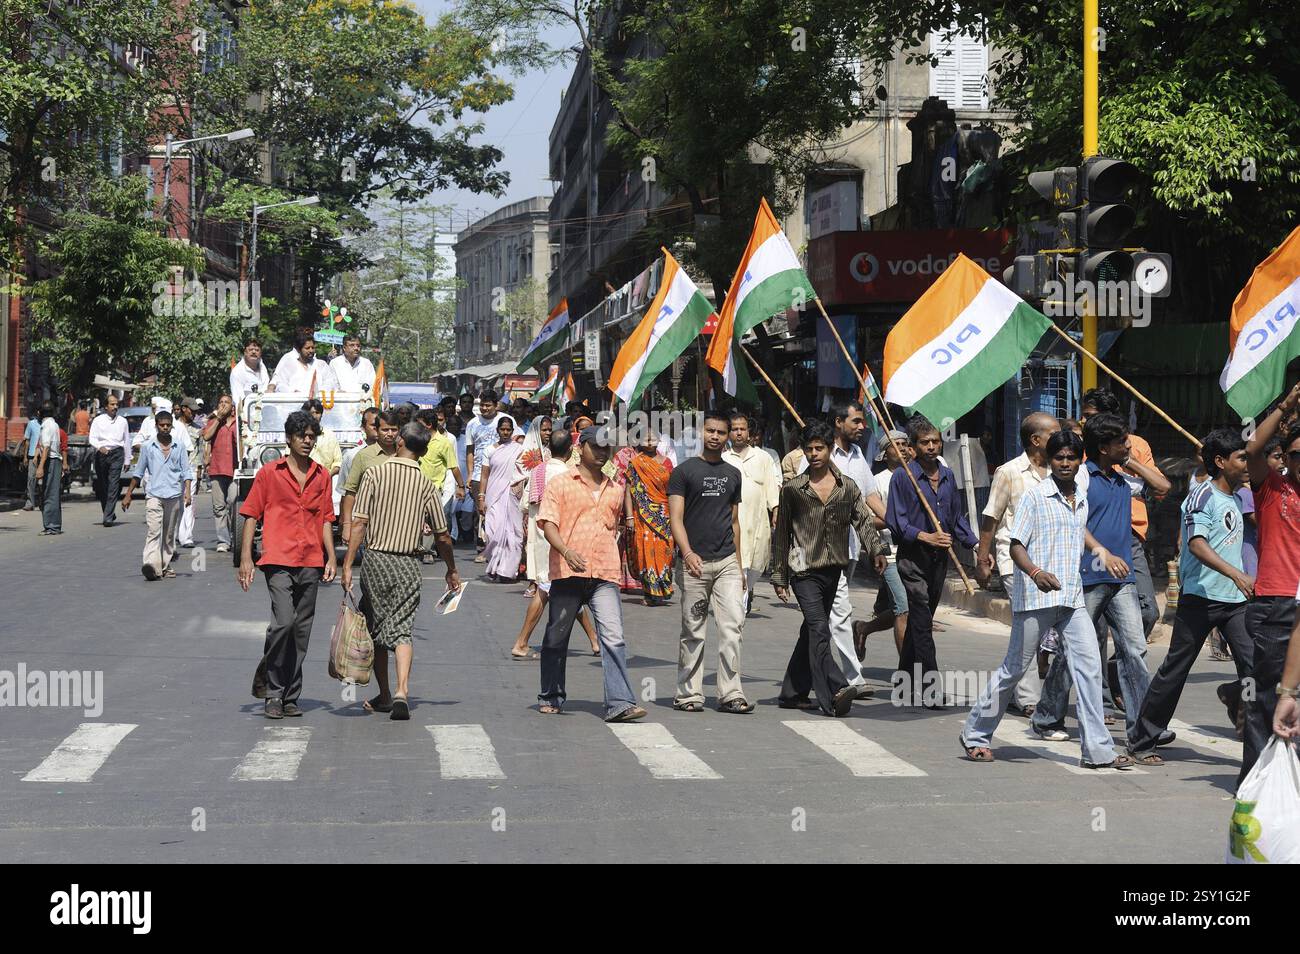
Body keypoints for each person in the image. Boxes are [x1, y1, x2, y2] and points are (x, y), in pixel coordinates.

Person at [959, 429, 1133, 769]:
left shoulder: (1080, 495)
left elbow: (1077, 528)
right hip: (1037, 599)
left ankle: (1097, 751)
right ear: (1049, 461)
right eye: (1058, 458)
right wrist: (1036, 573)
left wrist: (1100, 550)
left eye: (1071, 457)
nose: (1065, 463)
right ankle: (976, 734)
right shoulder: (1035, 497)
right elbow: (1016, 544)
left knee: (1089, 669)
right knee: (1014, 669)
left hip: (1071, 596)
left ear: (1079, 459)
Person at [1127, 428, 1256, 764]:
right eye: (1241, 457)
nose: (1247, 463)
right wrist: (1237, 573)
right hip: (1200, 599)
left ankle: (1251, 728)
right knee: (1176, 669)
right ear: (1220, 461)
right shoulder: (1202, 497)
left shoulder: (1238, 496)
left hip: (1235, 603)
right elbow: (1197, 545)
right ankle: (1142, 739)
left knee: (1254, 668)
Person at [1032, 413, 1154, 742]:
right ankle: (1046, 717)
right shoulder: (1083, 477)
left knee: (1134, 650)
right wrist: (1101, 551)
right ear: (1103, 447)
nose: (1128, 446)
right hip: (1086, 579)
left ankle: (1142, 729)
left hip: (1121, 580)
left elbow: (1163, 486)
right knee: (1073, 651)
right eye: (1121, 443)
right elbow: (1074, 520)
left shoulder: (1121, 478)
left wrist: (1134, 464)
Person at [342, 422, 459, 720]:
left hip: (376, 561)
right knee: (402, 629)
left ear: (401, 441)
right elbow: (442, 535)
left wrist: (347, 563)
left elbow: (359, 522)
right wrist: (451, 569)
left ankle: (384, 694)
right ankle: (401, 692)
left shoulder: (375, 473)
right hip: (408, 564)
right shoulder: (425, 483)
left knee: (378, 630)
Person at [772, 420, 885, 717]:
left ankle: (792, 692)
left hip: (834, 569)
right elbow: (782, 533)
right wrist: (779, 576)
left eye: (819, 448)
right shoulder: (793, 489)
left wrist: (876, 550)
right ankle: (835, 690)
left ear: (829, 449)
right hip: (803, 571)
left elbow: (862, 520)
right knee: (820, 628)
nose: (814, 454)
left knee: (810, 632)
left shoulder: (846, 487)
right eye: (808, 449)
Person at [535, 426, 646, 722]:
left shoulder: (615, 487)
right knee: (557, 637)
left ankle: (620, 702)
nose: (601, 453)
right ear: (579, 448)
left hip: (605, 571)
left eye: (605, 448)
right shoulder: (560, 484)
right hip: (567, 572)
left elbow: (615, 525)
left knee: (614, 638)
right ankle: (551, 695)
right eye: (595, 447)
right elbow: (547, 523)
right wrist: (566, 550)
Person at [238, 410, 336, 719]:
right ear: (289, 439)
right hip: (277, 558)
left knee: (301, 632)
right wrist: (245, 558)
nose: (307, 441)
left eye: (311, 436)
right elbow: (252, 514)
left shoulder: (321, 476)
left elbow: (325, 520)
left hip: (311, 559)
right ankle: (272, 688)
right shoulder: (269, 473)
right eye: (301, 436)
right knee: (283, 623)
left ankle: (290, 695)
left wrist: (331, 556)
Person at [795, 401, 888, 696]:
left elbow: (869, 494)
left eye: (862, 422)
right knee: (839, 612)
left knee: (817, 621)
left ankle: (795, 684)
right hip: (817, 551)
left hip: (847, 548)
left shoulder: (858, 455)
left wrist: (891, 520)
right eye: (856, 421)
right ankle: (853, 678)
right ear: (838, 422)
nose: (862, 427)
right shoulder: (816, 456)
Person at [885, 414, 978, 706]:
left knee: (919, 622)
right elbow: (896, 521)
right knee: (923, 622)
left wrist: (976, 545)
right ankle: (931, 689)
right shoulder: (904, 476)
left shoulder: (948, 476)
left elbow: (955, 518)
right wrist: (926, 537)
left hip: (939, 561)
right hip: (912, 560)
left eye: (935, 441)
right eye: (924, 442)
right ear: (912, 447)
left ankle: (903, 684)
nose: (931, 447)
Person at [973, 412, 1061, 715]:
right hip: (1016, 562)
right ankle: (1028, 699)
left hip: (1050, 562)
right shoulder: (1009, 472)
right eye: (1053, 433)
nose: (1060, 438)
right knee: (1031, 628)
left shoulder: (1060, 471)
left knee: (1031, 629)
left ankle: (1008, 690)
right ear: (1036, 440)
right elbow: (992, 516)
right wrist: (983, 560)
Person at [667, 410, 750, 713]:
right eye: (711, 431)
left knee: (733, 627)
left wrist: (740, 565)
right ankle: (689, 694)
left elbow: (735, 522)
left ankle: (731, 693)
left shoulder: (733, 474)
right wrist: (687, 553)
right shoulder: (684, 472)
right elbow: (675, 518)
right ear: (702, 433)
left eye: (721, 432)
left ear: (728, 436)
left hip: (727, 561)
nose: (715, 436)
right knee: (694, 629)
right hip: (694, 565)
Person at [1239, 382, 1300, 783]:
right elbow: (1252, 449)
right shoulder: (1272, 487)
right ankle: (1256, 780)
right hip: (1276, 602)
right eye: (1296, 454)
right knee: (1267, 696)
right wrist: (1286, 405)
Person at [1080, 388, 1170, 639]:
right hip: (1092, 539)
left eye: (1089, 416)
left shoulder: (1135, 447)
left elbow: (1162, 487)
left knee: (1147, 612)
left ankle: (1120, 666)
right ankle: (1095, 677)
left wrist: (1127, 460)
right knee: (1093, 622)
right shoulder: (1081, 450)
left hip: (1129, 538)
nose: (1084, 422)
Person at [511, 427, 601, 659]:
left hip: (542, 540)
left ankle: (594, 640)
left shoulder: (538, 471)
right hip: (563, 541)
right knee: (548, 589)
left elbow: (525, 505)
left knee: (568, 589)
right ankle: (521, 642)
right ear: (572, 451)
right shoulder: (570, 475)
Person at [856, 430, 911, 660]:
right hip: (889, 552)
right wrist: (897, 520)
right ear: (884, 453)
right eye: (895, 444)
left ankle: (863, 628)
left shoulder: (918, 477)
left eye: (904, 444)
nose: (901, 448)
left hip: (915, 552)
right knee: (904, 609)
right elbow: (867, 521)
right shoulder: (877, 481)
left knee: (907, 609)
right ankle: (908, 668)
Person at [122, 410, 192, 579]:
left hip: (174, 494)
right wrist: (128, 494)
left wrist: (188, 492)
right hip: (154, 494)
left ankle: (165, 566)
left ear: (171, 426)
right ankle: (151, 566)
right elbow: (138, 472)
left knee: (168, 535)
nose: (165, 428)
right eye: (162, 425)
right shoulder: (148, 447)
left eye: (168, 425)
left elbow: (186, 472)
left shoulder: (179, 446)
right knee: (154, 531)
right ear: (156, 426)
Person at [722, 412, 780, 614]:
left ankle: (742, 599)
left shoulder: (763, 458)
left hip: (757, 522)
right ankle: (737, 610)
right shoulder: (723, 459)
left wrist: (776, 510)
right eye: (735, 429)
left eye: (742, 429)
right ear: (729, 433)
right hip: (731, 524)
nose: (739, 433)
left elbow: (773, 489)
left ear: (749, 432)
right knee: (740, 569)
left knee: (755, 566)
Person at [625, 429, 677, 605]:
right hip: (641, 515)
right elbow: (628, 490)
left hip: (665, 513)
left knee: (666, 551)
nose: (649, 442)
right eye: (645, 439)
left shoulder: (667, 462)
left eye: (652, 438)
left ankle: (664, 587)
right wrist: (628, 517)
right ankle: (649, 591)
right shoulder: (635, 463)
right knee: (645, 550)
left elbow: (673, 490)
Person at [465, 390, 514, 561]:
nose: (484, 409)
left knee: (502, 511)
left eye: (488, 405)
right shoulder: (472, 423)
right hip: (480, 474)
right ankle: (483, 547)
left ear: (496, 405)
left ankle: (501, 545)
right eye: (482, 405)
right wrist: (470, 474)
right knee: (482, 511)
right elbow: (470, 450)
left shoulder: (507, 420)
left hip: (503, 473)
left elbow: (519, 441)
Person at [340, 409, 399, 544]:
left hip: (398, 523)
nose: (390, 434)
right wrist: (347, 525)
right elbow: (350, 492)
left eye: (394, 429)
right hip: (369, 524)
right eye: (385, 430)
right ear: (377, 430)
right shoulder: (363, 455)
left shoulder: (405, 453)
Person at [479, 416, 525, 582]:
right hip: (493, 495)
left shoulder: (519, 449)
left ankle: (506, 571)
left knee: (513, 533)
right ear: (497, 430)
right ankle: (494, 563)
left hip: (512, 495)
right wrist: (481, 497)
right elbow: (485, 475)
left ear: (513, 431)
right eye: (502, 429)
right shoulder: (489, 450)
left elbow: (525, 471)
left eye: (508, 430)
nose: (505, 432)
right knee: (492, 532)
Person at [202, 394, 240, 552]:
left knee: (232, 502)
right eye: (221, 402)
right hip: (217, 469)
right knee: (218, 507)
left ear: (233, 407)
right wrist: (218, 419)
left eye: (227, 402)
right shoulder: (213, 421)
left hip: (235, 470)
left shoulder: (240, 423)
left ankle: (235, 535)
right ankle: (223, 541)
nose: (223, 405)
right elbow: (206, 436)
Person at [89, 394, 130, 527]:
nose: (115, 407)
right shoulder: (98, 420)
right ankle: (109, 512)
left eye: (116, 404)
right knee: (103, 486)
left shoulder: (122, 421)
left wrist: (127, 460)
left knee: (113, 485)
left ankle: (107, 517)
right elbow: (92, 438)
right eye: (112, 404)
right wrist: (99, 447)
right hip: (102, 455)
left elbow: (127, 441)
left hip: (117, 453)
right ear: (106, 406)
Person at [271, 328, 337, 395]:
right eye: (307, 348)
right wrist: (293, 392)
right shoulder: (290, 365)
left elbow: (330, 382)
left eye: (313, 347)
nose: (311, 350)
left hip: (318, 402)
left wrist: (320, 392)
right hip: (295, 403)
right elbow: (280, 384)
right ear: (299, 350)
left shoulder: (321, 364)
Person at [32, 402, 63, 535]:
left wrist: (40, 467)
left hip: (50, 461)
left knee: (49, 494)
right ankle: (54, 525)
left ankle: (51, 526)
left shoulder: (46, 426)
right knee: (52, 494)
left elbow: (46, 447)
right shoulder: (54, 424)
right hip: (54, 461)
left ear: (40, 413)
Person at [175, 399, 203, 547]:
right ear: (183, 409)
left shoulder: (198, 429)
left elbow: (199, 451)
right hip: (173, 471)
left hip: (191, 469)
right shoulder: (172, 427)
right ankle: (176, 533)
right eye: (191, 410)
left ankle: (187, 537)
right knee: (175, 503)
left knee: (189, 502)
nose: (194, 413)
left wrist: (199, 471)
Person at [230, 338, 272, 405]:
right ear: (245, 352)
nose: (254, 352)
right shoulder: (237, 372)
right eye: (250, 350)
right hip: (247, 412)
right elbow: (239, 401)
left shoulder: (262, 367)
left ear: (260, 353)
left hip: (265, 410)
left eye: (257, 350)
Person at [18, 403, 42, 511]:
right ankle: (30, 502)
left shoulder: (47, 424)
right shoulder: (31, 424)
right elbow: (27, 440)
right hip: (32, 456)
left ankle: (43, 502)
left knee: (43, 481)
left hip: (44, 456)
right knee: (31, 480)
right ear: (38, 412)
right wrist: (25, 457)